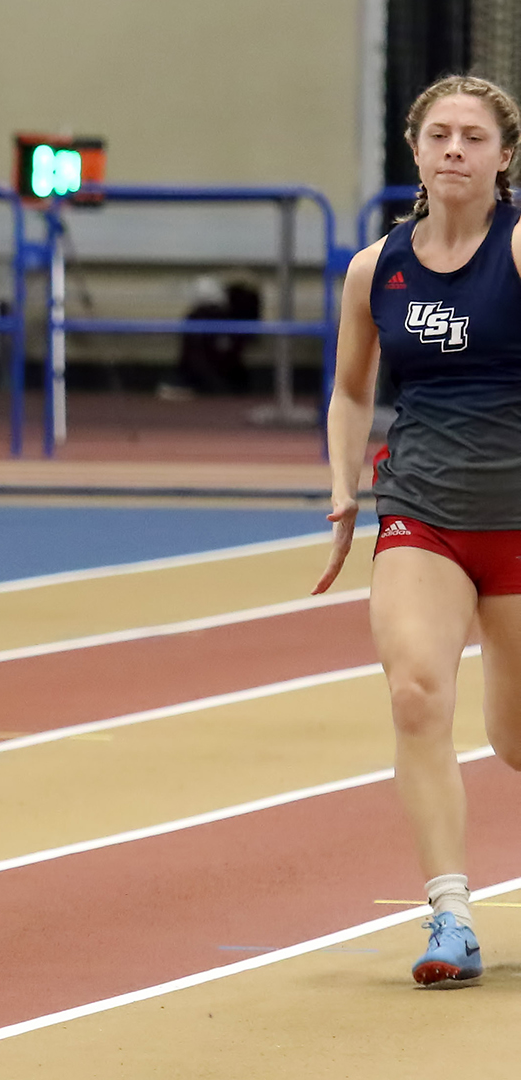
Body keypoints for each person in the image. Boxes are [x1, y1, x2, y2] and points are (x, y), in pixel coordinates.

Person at [317, 74, 521, 987]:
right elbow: (353, 390)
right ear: (415, 149)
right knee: (415, 696)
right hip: (422, 515)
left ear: (503, 157)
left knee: (517, 741)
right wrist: (343, 489)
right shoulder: (377, 269)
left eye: (474, 138)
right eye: (440, 134)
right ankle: (452, 917)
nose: (454, 151)